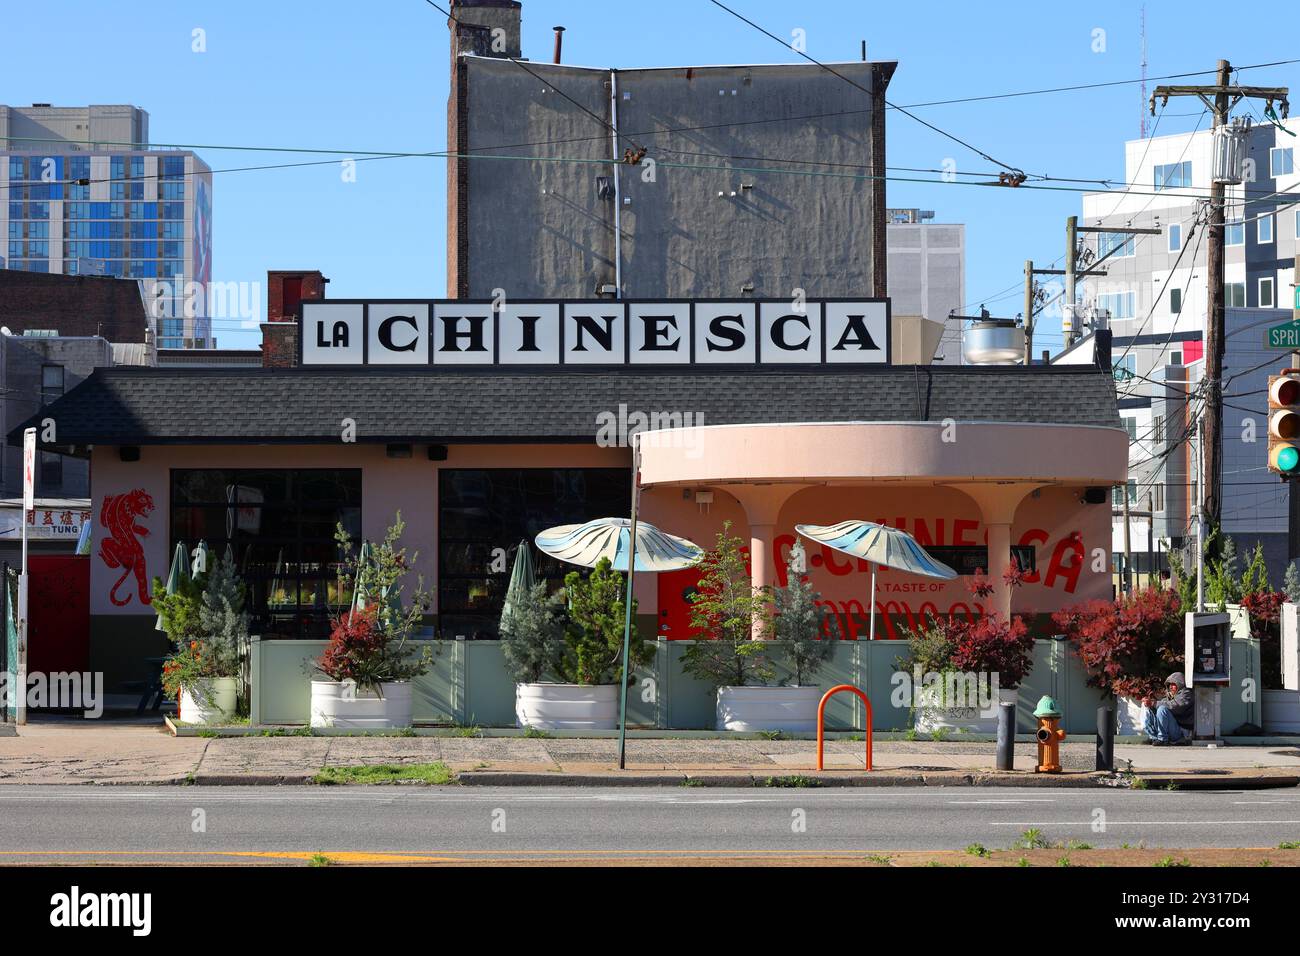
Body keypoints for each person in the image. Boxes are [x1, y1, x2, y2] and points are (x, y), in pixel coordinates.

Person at [1143, 672, 1193, 745]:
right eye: (1170, 685)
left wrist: (1154, 703)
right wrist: (1150, 705)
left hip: (1181, 732)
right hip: (1174, 730)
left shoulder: (1186, 694)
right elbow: (1163, 703)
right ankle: (1153, 737)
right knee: (1149, 709)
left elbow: (1174, 705)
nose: (1170, 687)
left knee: (1162, 709)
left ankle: (1162, 739)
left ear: (1180, 684)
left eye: (1173, 684)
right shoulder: (1171, 696)